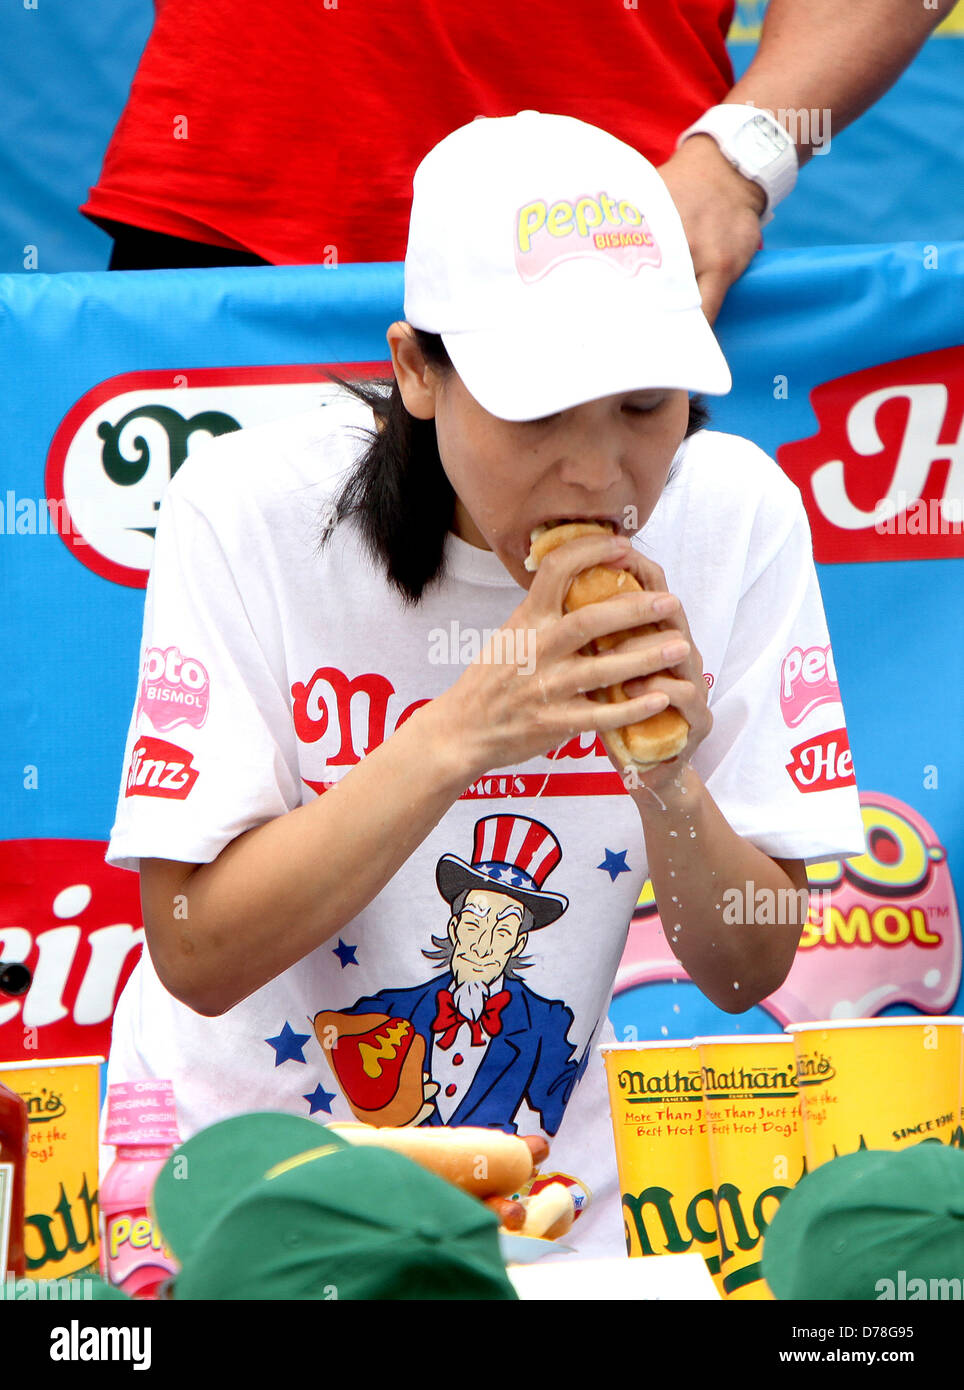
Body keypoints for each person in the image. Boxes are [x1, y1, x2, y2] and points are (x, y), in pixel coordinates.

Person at [105, 111, 866, 1258]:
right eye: (539, 410)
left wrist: (666, 781)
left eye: (645, 406)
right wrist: (462, 730)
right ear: (416, 369)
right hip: (246, 1191)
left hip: (536, 1199)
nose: (601, 471)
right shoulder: (250, 508)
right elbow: (196, 953)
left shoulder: (736, 513)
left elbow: (744, 964)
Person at [80, 0, 951, 320]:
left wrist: (739, 157)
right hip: (227, 224)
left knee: (615, 700)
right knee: (172, 708)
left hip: (608, 254)